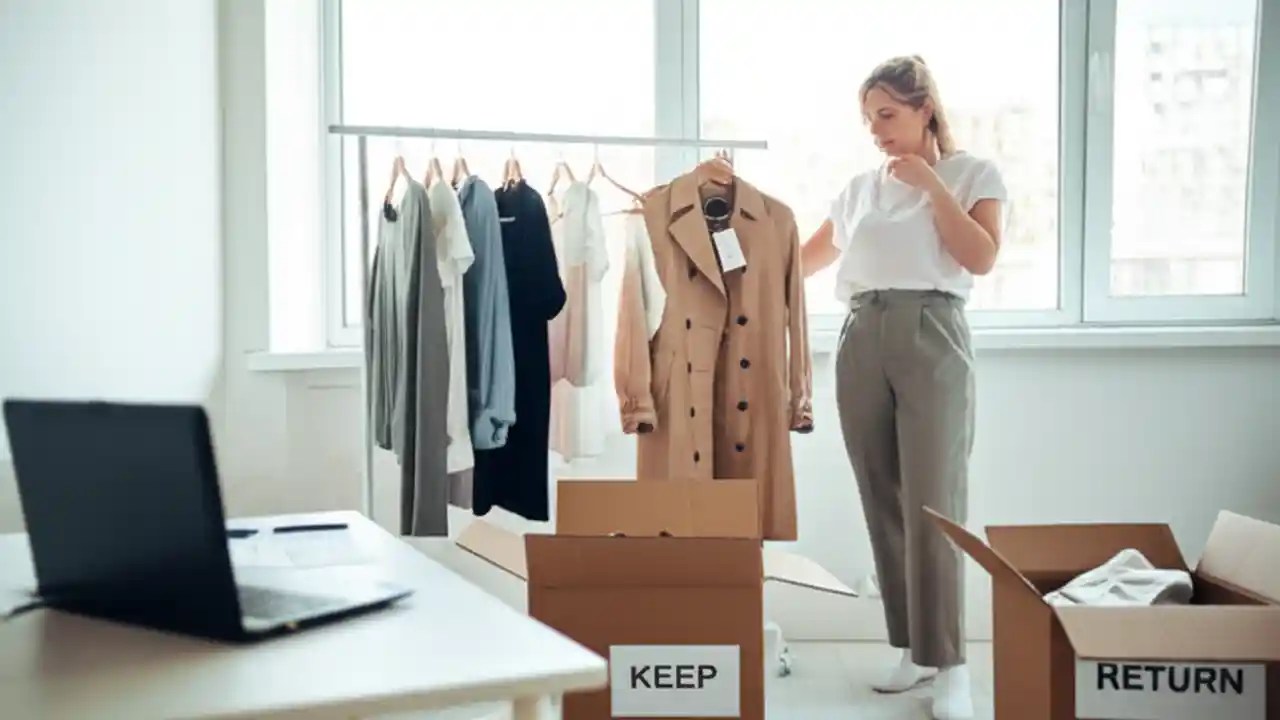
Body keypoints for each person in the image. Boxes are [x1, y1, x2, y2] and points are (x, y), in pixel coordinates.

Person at [801, 56, 1006, 720]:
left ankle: (951, 665)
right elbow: (799, 261)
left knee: (935, 504)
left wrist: (929, 184)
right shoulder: (860, 188)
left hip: (933, 332)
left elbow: (979, 256)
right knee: (883, 499)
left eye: (887, 115)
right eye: (868, 119)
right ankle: (914, 649)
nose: (877, 130)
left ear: (925, 109)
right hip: (862, 335)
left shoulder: (973, 173)